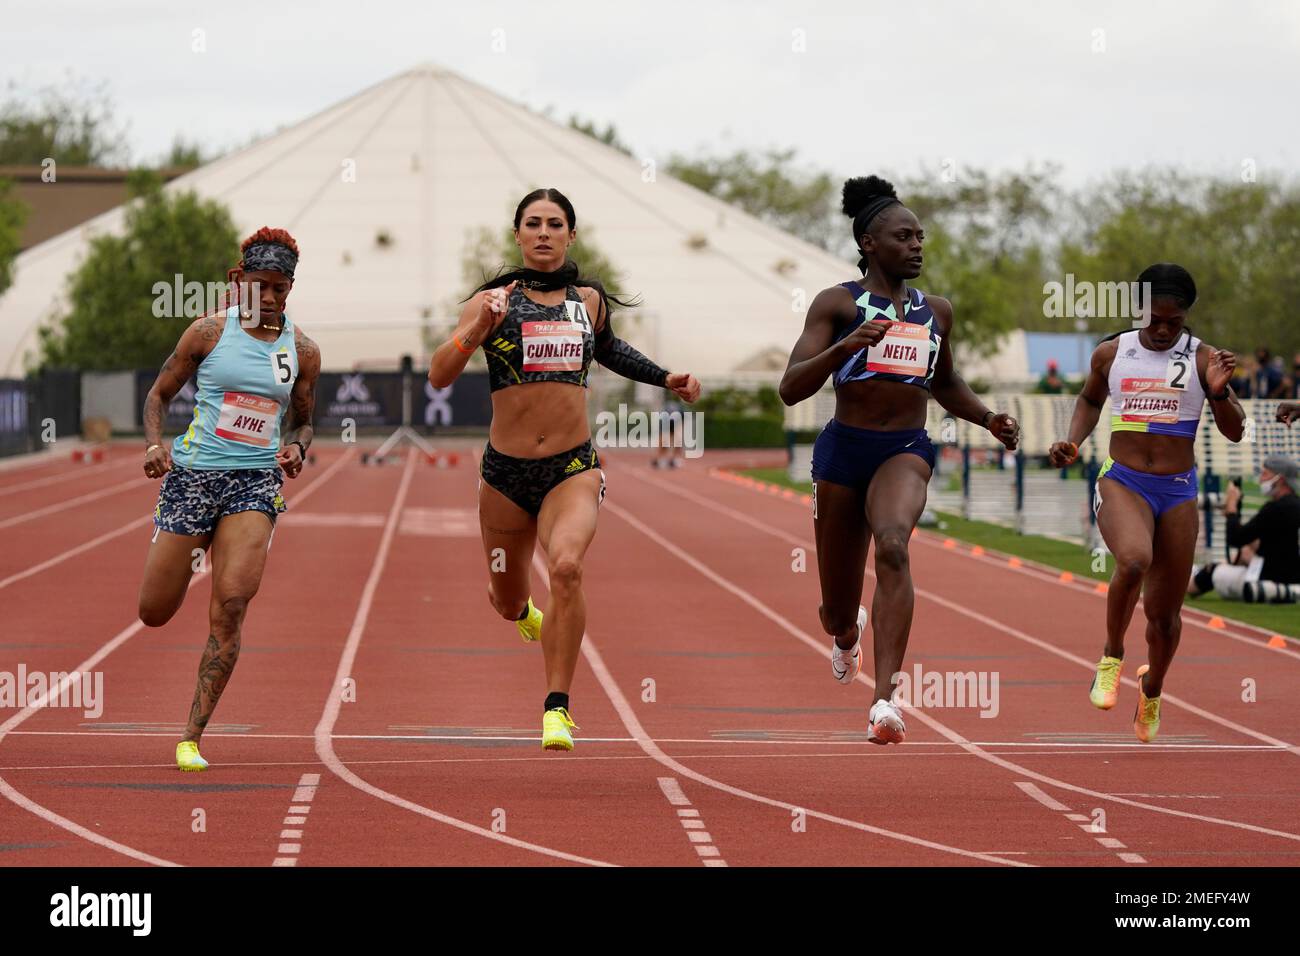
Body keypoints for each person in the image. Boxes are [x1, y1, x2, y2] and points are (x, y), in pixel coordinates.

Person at [428, 188, 700, 752]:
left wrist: (665, 376)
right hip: (506, 472)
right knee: (506, 601)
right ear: (518, 234)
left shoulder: (588, 299)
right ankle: (522, 609)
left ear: (571, 235)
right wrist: (478, 328)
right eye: (534, 223)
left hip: (572, 466)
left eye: (555, 223)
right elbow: (440, 375)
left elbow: (610, 350)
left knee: (568, 568)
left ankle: (557, 707)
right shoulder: (490, 300)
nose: (545, 232)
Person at [779, 175, 1020, 745]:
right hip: (843, 451)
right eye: (904, 236)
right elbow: (790, 388)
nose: (917, 246)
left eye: (921, 237)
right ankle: (846, 635)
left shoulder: (936, 311)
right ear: (869, 242)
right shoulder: (837, 303)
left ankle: (885, 700)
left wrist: (988, 418)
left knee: (892, 544)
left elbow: (946, 381)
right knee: (835, 608)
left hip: (904, 450)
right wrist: (846, 346)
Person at [138, 227, 320, 771]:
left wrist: (294, 447)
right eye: (260, 286)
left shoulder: (303, 351)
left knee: (232, 605)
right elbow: (159, 394)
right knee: (154, 612)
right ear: (239, 281)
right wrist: (154, 444)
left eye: (279, 289)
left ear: (290, 288)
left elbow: (305, 422)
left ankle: (191, 736)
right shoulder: (208, 333)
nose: (269, 298)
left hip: (254, 484)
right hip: (193, 477)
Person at [1049, 263, 1244, 742]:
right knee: (1134, 560)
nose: (1162, 330)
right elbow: (1090, 401)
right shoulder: (1113, 353)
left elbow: (1236, 429)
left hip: (1177, 490)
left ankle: (1152, 688)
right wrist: (1072, 440)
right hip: (1124, 481)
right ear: (1140, 310)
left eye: (1173, 323)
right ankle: (1111, 656)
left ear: (1186, 319)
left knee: (1164, 618)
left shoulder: (1204, 360)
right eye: (1155, 319)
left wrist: (1219, 395)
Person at [1189, 457, 1300, 603]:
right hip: (1292, 575)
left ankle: (1187, 584)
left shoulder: (1275, 508)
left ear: (1280, 479)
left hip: (1267, 581)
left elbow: (1235, 539)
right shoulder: (1294, 505)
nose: (1261, 479)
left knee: (1213, 571)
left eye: (1265, 474)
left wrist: (1232, 509)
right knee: (1246, 552)